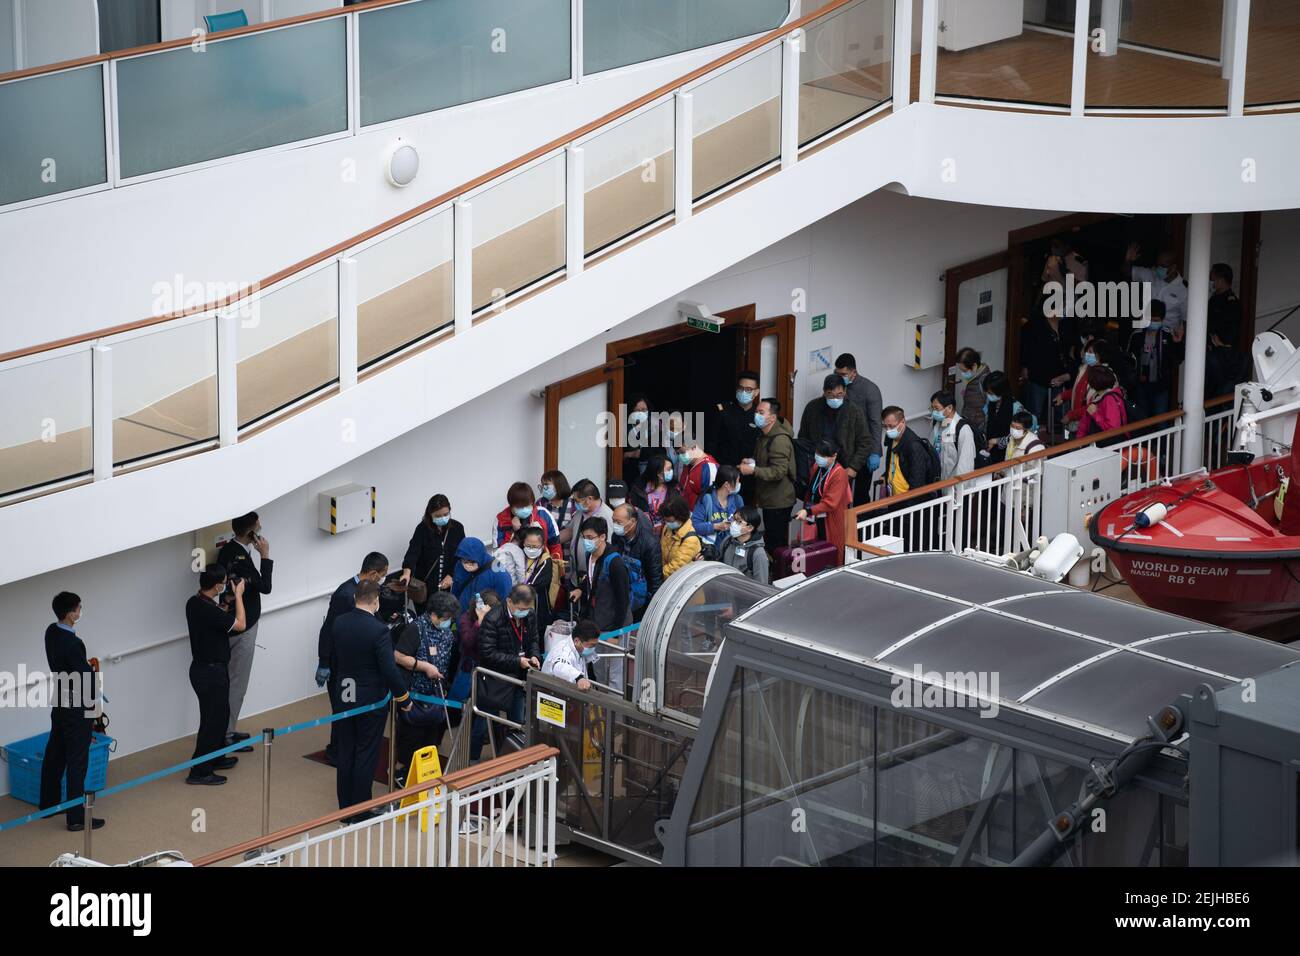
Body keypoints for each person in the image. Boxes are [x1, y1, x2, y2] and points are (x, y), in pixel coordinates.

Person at [330, 579, 410, 818]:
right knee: (366, 752)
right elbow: (389, 669)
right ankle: (362, 809)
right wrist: (403, 697)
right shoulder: (378, 630)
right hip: (370, 697)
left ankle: (345, 808)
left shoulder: (339, 622)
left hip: (344, 692)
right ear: (376, 601)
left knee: (346, 749)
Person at [40, 592, 103, 830]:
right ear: (70, 614)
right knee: (77, 760)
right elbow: (84, 678)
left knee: (55, 751)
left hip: (60, 700)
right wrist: (94, 706)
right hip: (76, 704)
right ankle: (76, 817)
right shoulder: (74, 643)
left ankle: (48, 805)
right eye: (78, 609)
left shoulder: (51, 632)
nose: (80, 613)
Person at [318, 552, 389, 766]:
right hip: (342, 665)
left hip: (353, 664)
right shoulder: (346, 594)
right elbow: (328, 629)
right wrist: (324, 661)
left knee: (349, 707)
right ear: (374, 573)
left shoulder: (363, 591)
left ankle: (343, 747)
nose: (383, 579)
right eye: (383, 575)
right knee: (342, 708)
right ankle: (336, 751)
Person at [216, 511, 273, 752]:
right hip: (243, 627)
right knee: (237, 683)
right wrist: (265, 556)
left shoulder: (227, 551)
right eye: (258, 526)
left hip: (233, 623)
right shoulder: (240, 558)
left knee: (233, 682)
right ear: (251, 531)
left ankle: (227, 729)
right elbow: (265, 587)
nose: (261, 528)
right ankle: (226, 735)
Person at [185, 564, 246, 786]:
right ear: (218, 585)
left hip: (206, 670)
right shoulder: (207, 609)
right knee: (212, 721)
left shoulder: (195, 602)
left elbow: (214, 617)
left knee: (221, 715)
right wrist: (238, 596)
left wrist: (226, 603)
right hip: (211, 672)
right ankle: (199, 771)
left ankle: (216, 757)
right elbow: (240, 624)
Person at [392, 591, 460, 783]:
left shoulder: (447, 630)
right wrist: (425, 667)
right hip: (415, 693)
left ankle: (422, 775)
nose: (449, 622)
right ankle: (401, 772)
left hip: (436, 694)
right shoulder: (416, 629)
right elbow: (398, 656)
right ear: (432, 614)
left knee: (431, 738)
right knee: (410, 737)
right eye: (445, 618)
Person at [475, 585, 541, 759]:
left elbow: (533, 639)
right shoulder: (493, 618)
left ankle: (513, 759)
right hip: (494, 679)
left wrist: (534, 655)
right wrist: (517, 661)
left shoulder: (530, 615)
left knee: (517, 722)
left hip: (518, 678)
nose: (525, 613)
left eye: (528, 609)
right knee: (483, 722)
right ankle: (472, 758)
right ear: (509, 602)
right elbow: (487, 653)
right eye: (521, 609)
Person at [570, 516, 633, 691]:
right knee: (598, 667)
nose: (586, 541)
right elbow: (592, 581)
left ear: (603, 537)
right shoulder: (592, 556)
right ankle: (602, 703)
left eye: (590, 537)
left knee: (615, 672)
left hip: (614, 625)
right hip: (597, 622)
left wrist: (617, 633)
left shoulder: (615, 563)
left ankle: (615, 710)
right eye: (584, 537)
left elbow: (623, 600)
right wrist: (581, 589)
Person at [798, 374, 871, 506]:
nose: (835, 399)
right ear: (824, 392)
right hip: (816, 466)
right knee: (814, 505)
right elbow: (803, 438)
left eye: (839, 395)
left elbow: (865, 442)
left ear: (845, 392)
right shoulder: (812, 408)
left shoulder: (854, 411)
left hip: (843, 468)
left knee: (838, 507)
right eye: (830, 395)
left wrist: (853, 467)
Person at [740, 397, 797, 556]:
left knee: (775, 541)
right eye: (756, 412)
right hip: (769, 497)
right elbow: (765, 461)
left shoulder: (779, 440)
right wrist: (752, 462)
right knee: (771, 538)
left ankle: (778, 573)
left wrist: (753, 470)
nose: (756, 415)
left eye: (761, 412)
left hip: (779, 500)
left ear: (772, 417)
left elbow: (778, 472)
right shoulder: (764, 435)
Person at [834, 353, 884, 505]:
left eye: (843, 374)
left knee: (860, 495)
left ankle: (861, 527)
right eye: (837, 373)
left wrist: (874, 451)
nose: (839, 377)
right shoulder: (836, 386)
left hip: (864, 450)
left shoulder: (870, 389)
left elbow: (875, 423)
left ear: (853, 372)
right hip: (842, 449)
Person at [399, 494, 465, 608]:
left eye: (445, 514)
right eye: (438, 516)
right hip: (426, 587)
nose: (443, 518)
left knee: (447, 614)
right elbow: (412, 553)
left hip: (449, 587)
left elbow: (462, 555)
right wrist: (406, 573)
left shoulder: (457, 528)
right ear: (430, 515)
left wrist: (452, 575)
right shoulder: (422, 529)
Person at [1124, 299, 1185, 419]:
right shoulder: (1137, 335)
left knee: (1160, 419)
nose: (1153, 322)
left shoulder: (1168, 335)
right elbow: (1128, 360)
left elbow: (1179, 358)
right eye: (1150, 319)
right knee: (1141, 419)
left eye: (1156, 320)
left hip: (1161, 386)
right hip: (1140, 386)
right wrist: (1136, 375)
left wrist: (1178, 343)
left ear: (1162, 320)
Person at [795, 439, 850, 565]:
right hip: (814, 515)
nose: (819, 458)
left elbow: (831, 503)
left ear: (834, 456)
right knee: (813, 550)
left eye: (823, 456)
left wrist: (808, 510)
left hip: (830, 519)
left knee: (830, 552)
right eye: (817, 454)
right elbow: (811, 490)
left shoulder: (840, 473)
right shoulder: (816, 466)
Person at [1019, 305, 1072, 434]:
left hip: (1061, 375)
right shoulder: (1034, 326)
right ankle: (1032, 437)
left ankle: (1062, 437)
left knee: (1062, 410)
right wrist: (1025, 367)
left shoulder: (1066, 326)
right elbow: (1025, 349)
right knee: (1034, 411)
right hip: (1039, 375)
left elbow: (1069, 350)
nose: (1063, 312)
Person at [710, 370, 761, 501]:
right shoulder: (724, 411)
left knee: (746, 516)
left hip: (749, 477)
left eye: (749, 389)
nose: (744, 392)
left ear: (756, 392)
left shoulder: (759, 415)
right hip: (725, 474)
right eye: (741, 388)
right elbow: (713, 442)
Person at [1124, 241, 1188, 333]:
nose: (1158, 269)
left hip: (1168, 336)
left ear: (1173, 267)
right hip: (1144, 331)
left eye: (1162, 266)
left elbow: (1186, 319)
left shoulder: (1183, 290)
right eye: (1158, 265)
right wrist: (1128, 260)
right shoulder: (1150, 274)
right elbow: (1127, 272)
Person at [612, 502, 664, 607]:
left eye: (618, 522)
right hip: (621, 591)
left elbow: (655, 578)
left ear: (632, 522)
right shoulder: (617, 536)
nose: (615, 525)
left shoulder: (650, 543)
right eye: (613, 521)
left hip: (640, 598)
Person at [882, 407, 939, 502]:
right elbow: (896, 463)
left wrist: (909, 507)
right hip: (894, 498)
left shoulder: (914, 446)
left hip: (908, 502)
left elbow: (917, 483)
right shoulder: (892, 439)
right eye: (885, 426)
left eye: (891, 426)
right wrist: (885, 475)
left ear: (903, 422)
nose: (888, 430)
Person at [494, 482, 561, 559]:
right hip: (513, 566)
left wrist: (556, 565)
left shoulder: (543, 514)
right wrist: (512, 531)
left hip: (541, 563)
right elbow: (499, 553)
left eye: (527, 505)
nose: (524, 509)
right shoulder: (501, 519)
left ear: (532, 502)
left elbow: (555, 545)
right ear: (511, 505)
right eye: (519, 506)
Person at [450, 537, 513, 615]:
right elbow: (456, 587)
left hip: (484, 621)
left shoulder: (499, 574)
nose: (468, 565)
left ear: (480, 556)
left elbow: (504, 601)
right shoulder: (459, 565)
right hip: (462, 617)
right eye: (464, 561)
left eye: (472, 561)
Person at [690, 464, 744, 554]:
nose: (739, 484)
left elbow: (744, 524)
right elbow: (694, 526)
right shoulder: (707, 500)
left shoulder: (737, 500)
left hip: (731, 551)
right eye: (737, 481)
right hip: (710, 551)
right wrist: (715, 526)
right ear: (727, 485)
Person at [564, 479, 614, 571]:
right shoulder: (580, 512)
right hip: (576, 575)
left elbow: (609, 547)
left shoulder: (607, 517)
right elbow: (570, 531)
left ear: (589, 499)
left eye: (577, 500)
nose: (575, 504)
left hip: (594, 576)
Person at [930, 389, 977, 481]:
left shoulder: (963, 429)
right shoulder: (937, 424)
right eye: (932, 408)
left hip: (954, 486)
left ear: (950, 408)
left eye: (936, 408)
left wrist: (957, 490)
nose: (933, 412)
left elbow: (965, 464)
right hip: (938, 480)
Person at [542, 619, 600, 691]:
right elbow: (559, 667)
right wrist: (579, 678)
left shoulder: (579, 650)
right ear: (577, 641)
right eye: (592, 645)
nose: (593, 648)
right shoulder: (563, 651)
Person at [717, 507, 771, 583]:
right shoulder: (727, 541)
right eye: (734, 519)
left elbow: (762, 586)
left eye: (739, 522)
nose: (733, 524)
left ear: (750, 528)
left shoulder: (758, 553)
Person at [518, 525, 556, 629]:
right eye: (528, 545)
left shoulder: (545, 561)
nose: (531, 549)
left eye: (535, 547)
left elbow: (533, 584)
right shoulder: (520, 556)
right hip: (521, 604)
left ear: (542, 546)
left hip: (539, 607)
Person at [1077, 365, 1129, 439]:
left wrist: (1095, 414)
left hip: (1108, 446)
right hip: (1097, 442)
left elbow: (1113, 429)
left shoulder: (1109, 399)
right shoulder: (1099, 396)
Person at [661, 494, 702, 578]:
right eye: (665, 520)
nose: (667, 523)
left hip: (680, 580)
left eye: (669, 521)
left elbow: (675, 568)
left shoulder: (690, 540)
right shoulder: (668, 528)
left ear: (680, 517)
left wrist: (656, 575)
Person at [953, 347, 991, 430]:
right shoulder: (972, 378)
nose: (963, 374)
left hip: (979, 426)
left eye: (964, 371)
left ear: (974, 366)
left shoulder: (985, 380)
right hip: (969, 423)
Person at [675, 440, 719, 511]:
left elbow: (713, 502)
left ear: (694, 447)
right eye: (678, 454)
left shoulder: (709, 468)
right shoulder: (688, 464)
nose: (680, 456)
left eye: (682, 452)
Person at [981, 371, 1014, 464]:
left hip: (1007, 454)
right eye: (987, 392)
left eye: (990, 393)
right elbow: (986, 422)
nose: (988, 395)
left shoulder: (1015, 408)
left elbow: (1020, 434)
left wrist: (997, 441)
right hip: (990, 451)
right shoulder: (990, 403)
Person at [538, 471, 577, 546]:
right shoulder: (541, 503)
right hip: (546, 552)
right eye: (542, 485)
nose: (543, 488)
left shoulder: (573, 505)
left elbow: (575, 530)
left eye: (546, 485)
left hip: (566, 554)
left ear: (559, 486)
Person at [639, 455, 674, 532]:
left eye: (671, 468)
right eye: (668, 469)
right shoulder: (640, 489)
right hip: (646, 533)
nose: (671, 471)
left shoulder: (674, 489)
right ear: (658, 472)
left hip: (667, 533)